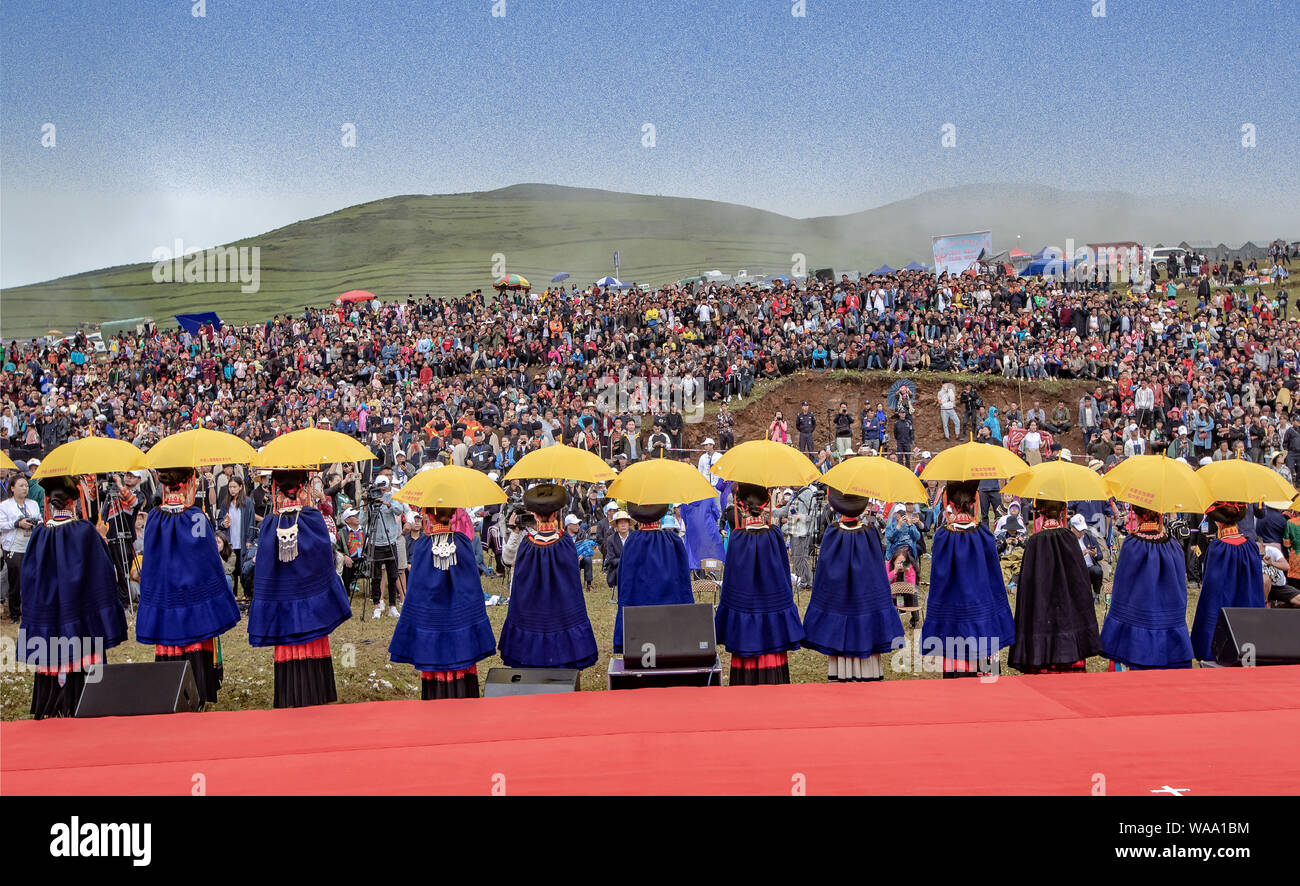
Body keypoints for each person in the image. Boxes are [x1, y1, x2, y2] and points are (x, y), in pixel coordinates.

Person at [18, 475, 128, 718]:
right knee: (82, 645)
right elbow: (102, 573)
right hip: (78, 606)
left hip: (50, 604)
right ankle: (83, 700)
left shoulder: (39, 533)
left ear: (51, 503)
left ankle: (52, 703)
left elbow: (30, 574)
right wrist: (101, 539)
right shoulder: (84, 531)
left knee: (53, 647)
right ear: (73, 502)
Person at [247, 469, 352, 708]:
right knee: (312, 637)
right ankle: (316, 692)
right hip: (310, 599)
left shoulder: (270, 523)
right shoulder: (313, 518)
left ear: (276, 488)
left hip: (282, 600)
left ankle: (289, 695)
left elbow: (263, 565)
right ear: (303, 486)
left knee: (286, 640)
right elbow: (325, 556)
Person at [136, 466, 241, 703]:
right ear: (186, 484)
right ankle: (198, 690)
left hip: (165, 589)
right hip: (191, 589)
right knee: (194, 636)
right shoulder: (195, 516)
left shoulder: (154, 517)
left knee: (169, 638)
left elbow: (151, 557)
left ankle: (167, 691)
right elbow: (208, 559)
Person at [388, 506, 496, 699]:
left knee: (434, 650)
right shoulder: (462, 541)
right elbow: (471, 582)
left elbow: (416, 587)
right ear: (454, 514)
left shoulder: (422, 545)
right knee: (461, 650)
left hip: (431, 614)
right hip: (460, 614)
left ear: (429, 515)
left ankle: (436, 698)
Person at [802, 489, 903, 682]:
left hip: (841, 603)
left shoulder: (833, 533)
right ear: (863, 505)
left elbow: (825, 575)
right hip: (865, 603)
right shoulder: (869, 533)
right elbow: (877, 573)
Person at [499, 483, 598, 670]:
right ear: (556, 514)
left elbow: (509, 562)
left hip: (531, 610)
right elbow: (572, 579)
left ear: (534, 514)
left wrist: (515, 531)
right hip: (562, 608)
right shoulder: (565, 543)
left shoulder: (527, 544)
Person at [922, 480, 1014, 677]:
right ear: (973, 503)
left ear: (951, 505)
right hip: (982, 611)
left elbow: (938, 581)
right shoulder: (984, 535)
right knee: (986, 686)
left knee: (955, 684)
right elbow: (994, 578)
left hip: (952, 614)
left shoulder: (942, 537)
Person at [715, 482, 804, 684]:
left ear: (742, 506)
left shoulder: (738, 537)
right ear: (765, 504)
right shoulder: (774, 535)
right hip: (772, 603)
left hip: (744, 605)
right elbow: (783, 571)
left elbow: (730, 579)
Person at [1008, 500, 1101, 674]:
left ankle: (1042, 658)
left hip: (1042, 606)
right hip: (1066, 605)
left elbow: (1027, 586)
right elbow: (1079, 581)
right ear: (1062, 511)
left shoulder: (1034, 542)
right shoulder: (1070, 539)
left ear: (1041, 513)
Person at [1100, 506, 1193, 670]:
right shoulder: (1173, 545)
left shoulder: (1132, 545)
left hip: (1138, 632)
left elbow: (1122, 589)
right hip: (1169, 623)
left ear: (1137, 516)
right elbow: (1180, 588)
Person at [612, 502, 693, 654]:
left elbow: (625, 585)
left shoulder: (632, 542)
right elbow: (684, 586)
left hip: (638, 624)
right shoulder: (673, 541)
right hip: (671, 623)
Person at [1191, 501, 1265, 662]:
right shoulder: (1251, 545)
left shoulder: (1218, 548)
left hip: (1223, 602)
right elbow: (1256, 583)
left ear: (1218, 522)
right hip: (1248, 603)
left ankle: (1212, 647)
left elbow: (1211, 589)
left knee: (1216, 612)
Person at [1, 474, 41, 622]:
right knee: (16, 581)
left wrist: (34, 522)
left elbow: (40, 519)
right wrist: (17, 523)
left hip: (31, 546)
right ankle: (15, 613)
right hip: (13, 547)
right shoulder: (5, 506)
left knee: (33, 580)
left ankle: (31, 610)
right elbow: (1, 524)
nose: (25, 488)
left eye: (26, 486)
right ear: (12, 488)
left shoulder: (33, 504)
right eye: (21, 486)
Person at [1070, 513, 1105, 603]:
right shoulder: (1067, 540)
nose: (1082, 532)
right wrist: (1079, 555)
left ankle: (1096, 595)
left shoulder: (1090, 538)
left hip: (1089, 567)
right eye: (1080, 530)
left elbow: (1100, 556)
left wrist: (1095, 555)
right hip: (1074, 569)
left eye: (1083, 529)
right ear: (1072, 527)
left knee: (1097, 570)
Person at [603, 510, 631, 593]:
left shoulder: (635, 537)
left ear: (629, 524)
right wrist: (625, 561)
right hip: (618, 568)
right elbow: (611, 559)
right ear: (616, 526)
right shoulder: (611, 539)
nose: (623, 525)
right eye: (620, 523)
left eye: (625, 522)